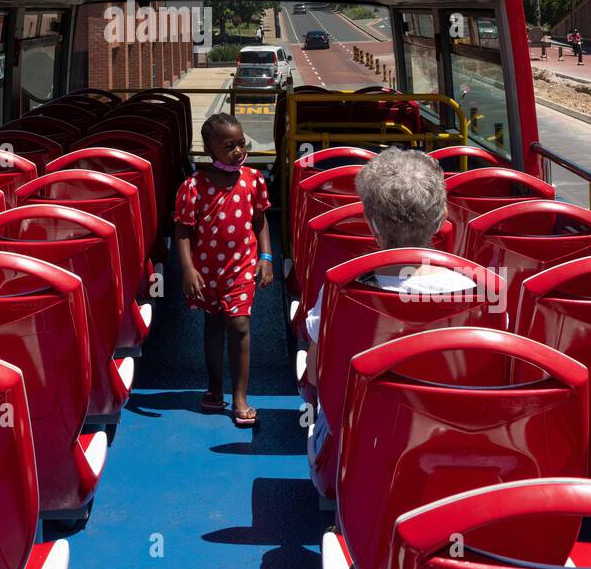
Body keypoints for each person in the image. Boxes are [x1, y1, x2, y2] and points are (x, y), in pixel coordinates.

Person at [301, 147, 475, 403]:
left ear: (371, 225)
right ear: (441, 220)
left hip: (359, 432)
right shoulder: (475, 289)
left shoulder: (339, 288)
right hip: (446, 429)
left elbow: (317, 374)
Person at [174, 113, 273, 426]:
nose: (239, 150)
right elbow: (183, 231)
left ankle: (240, 396)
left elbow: (260, 221)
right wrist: (188, 269)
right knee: (214, 325)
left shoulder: (254, 181)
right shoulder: (194, 186)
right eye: (229, 145)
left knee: (240, 325)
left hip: (241, 267)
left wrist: (266, 257)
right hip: (207, 271)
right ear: (210, 149)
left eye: (241, 143)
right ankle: (215, 388)